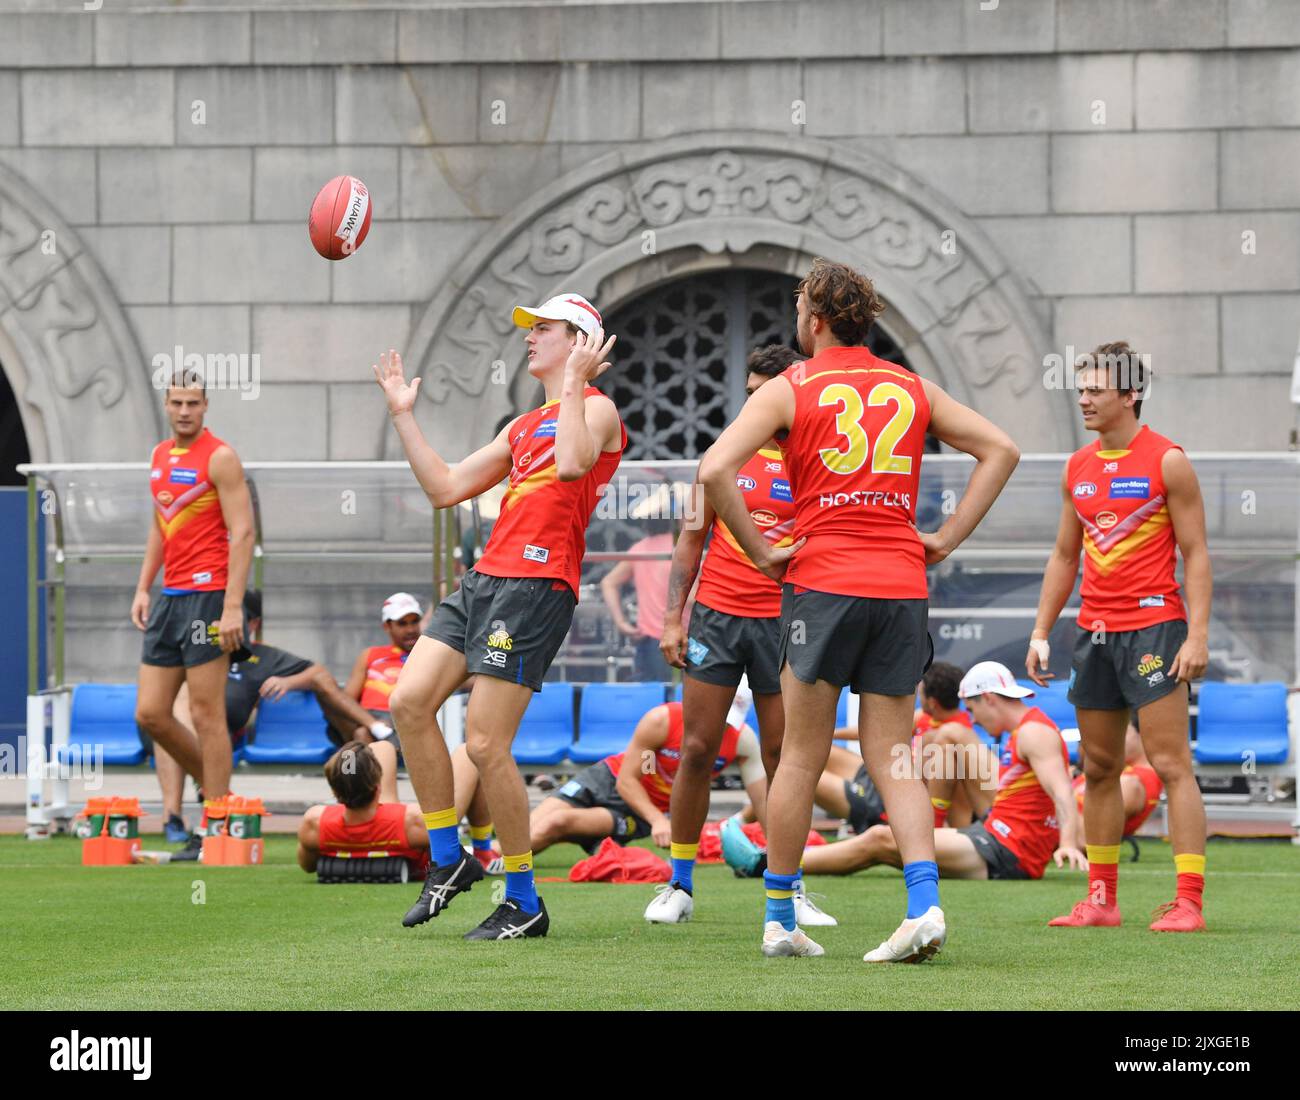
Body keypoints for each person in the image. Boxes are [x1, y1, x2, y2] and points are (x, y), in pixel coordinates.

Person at [698, 257, 1019, 961]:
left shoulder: (792, 385)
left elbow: (714, 469)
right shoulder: (911, 385)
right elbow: (1001, 449)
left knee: (801, 758)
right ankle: (922, 906)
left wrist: (761, 553)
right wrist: (944, 539)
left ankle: (780, 917)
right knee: (896, 755)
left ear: (813, 320)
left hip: (824, 582)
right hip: (901, 583)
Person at [373, 292, 624, 941]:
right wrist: (404, 416)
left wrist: (574, 383)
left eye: (544, 329)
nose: (529, 338)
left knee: (485, 744)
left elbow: (572, 462)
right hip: (486, 578)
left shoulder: (597, 410)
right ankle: (449, 860)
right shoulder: (521, 427)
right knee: (407, 702)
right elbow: (445, 488)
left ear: (579, 342)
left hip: (536, 584)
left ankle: (523, 899)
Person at [1027, 341, 1212, 933]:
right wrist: (1040, 632)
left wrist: (1197, 635)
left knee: (1171, 763)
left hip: (1156, 627)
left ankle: (1188, 902)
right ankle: (1101, 900)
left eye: (1095, 389)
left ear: (1129, 395)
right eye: (1080, 388)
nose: (1083, 398)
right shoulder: (1076, 466)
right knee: (1101, 765)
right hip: (1094, 633)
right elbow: (1063, 556)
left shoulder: (1168, 461)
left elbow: (1197, 554)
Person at [647, 344, 800, 925]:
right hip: (716, 617)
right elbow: (690, 540)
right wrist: (670, 618)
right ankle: (680, 885)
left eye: (767, 392)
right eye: (751, 391)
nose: (756, 403)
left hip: (784, 623)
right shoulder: (722, 458)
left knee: (787, 756)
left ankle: (792, 887)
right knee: (696, 749)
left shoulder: (811, 460)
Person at [725, 662, 1086, 883]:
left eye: (974, 708)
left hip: (1007, 850)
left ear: (988, 698)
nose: (973, 717)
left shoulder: (1033, 732)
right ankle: (771, 852)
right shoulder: (1023, 731)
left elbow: (1061, 792)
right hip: (995, 836)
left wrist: (1068, 842)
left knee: (879, 838)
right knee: (880, 839)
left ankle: (768, 862)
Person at [150, 589, 389, 855]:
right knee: (174, 715)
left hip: (223, 734)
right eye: (216, 616)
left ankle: (212, 806)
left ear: (252, 624)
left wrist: (287, 681)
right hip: (178, 730)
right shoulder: (198, 648)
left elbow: (318, 674)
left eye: (233, 616)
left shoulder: (260, 657)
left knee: (191, 722)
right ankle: (175, 815)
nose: (221, 623)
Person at [131, 371, 253, 851]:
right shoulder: (160, 457)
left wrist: (233, 606)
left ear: (206, 407)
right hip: (170, 597)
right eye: (177, 402)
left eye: (193, 403)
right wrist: (143, 587)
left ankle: (216, 824)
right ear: (166, 405)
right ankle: (220, 790)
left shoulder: (220, 457)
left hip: (209, 598)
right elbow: (161, 527)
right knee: (151, 713)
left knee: (206, 714)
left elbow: (242, 533)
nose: (184, 411)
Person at [297, 740, 429, 876]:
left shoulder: (315, 823)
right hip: (394, 826)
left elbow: (308, 865)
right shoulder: (413, 821)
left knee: (381, 748)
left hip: (345, 827)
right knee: (384, 746)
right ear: (378, 787)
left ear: (335, 792)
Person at [599, 491, 675, 682]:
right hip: (683, 636)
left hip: (650, 640)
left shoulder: (640, 549)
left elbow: (609, 582)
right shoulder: (681, 547)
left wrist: (622, 622)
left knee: (653, 699)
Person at [332, 592, 425, 745]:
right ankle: (376, 730)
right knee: (357, 727)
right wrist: (372, 723)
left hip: (404, 720)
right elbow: (347, 700)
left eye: (414, 622)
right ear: (387, 626)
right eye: (402, 623)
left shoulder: (428, 655)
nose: (410, 629)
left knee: (362, 734)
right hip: (369, 719)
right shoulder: (370, 654)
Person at [1073, 722, 1164, 839]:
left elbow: (1087, 838)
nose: (1111, 740)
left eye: (1120, 732)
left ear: (1142, 735)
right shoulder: (1116, 771)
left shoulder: (1130, 783)